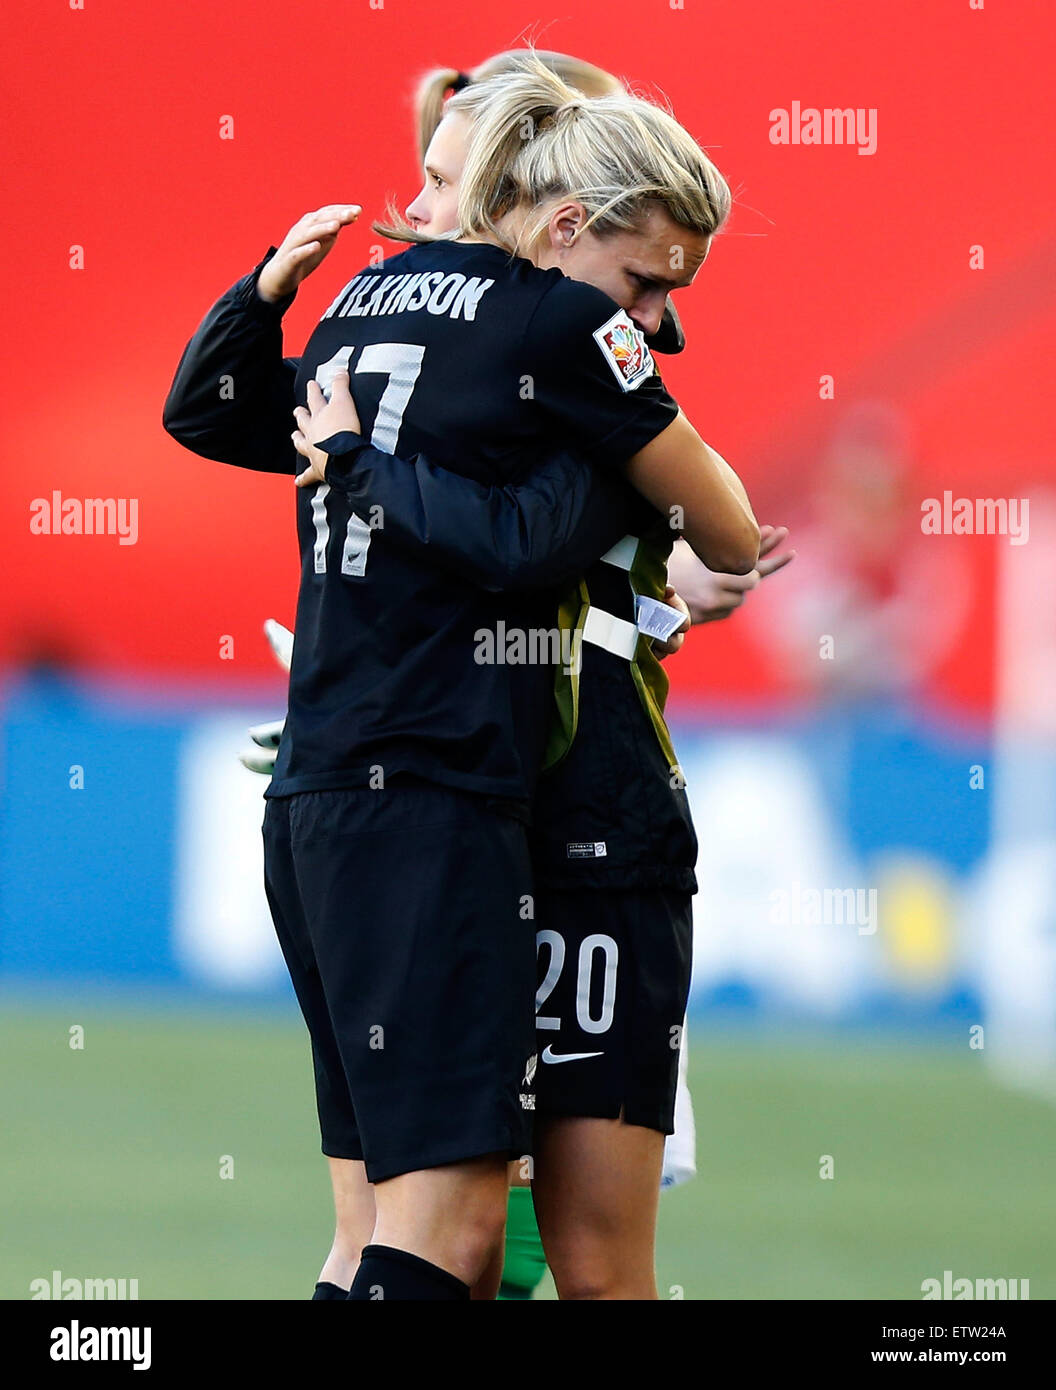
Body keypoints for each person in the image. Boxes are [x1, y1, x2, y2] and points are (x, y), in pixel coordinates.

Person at [164, 53, 758, 1300]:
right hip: (460, 803)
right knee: (478, 1243)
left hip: (412, 794)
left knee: (431, 1233)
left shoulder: (394, 319)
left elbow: (221, 415)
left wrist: (642, 606)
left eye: (441, 177)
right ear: (561, 217)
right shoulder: (542, 344)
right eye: (428, 177)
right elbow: (550, 540)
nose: (421, 208)